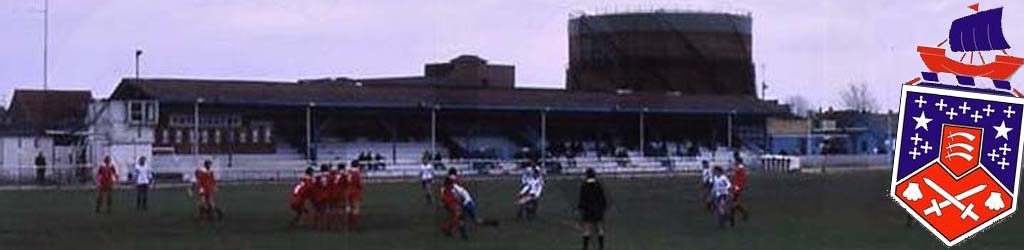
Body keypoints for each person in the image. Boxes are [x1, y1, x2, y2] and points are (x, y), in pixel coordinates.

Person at [577, 168, 608, 250]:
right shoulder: (598, 185)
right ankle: (601, 246)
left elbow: (582, 199)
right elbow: (602, 199)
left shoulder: (584, 186)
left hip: (588, 210)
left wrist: (581, 208)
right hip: (598, 210)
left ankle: (585, 247)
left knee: (587, 229)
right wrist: (603, 207)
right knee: (600, 228)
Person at [730, 159, 749, 226]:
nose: (735, 162)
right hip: (736, 186)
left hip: (737, 187)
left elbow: (736, 171)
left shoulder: (740, 168)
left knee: (733, 203)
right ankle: (744, 213)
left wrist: (737, 186)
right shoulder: (740, 168)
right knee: (734, 202)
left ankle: (732, 219)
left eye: (736, 161)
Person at [344, 162, 363, 230]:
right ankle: (355, 225)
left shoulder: (348, 173)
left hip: (348, 191)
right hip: (355, 192)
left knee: (348, 207)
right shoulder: (357, 174)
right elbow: (359, 184)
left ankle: (348, 224)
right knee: (356, 208)